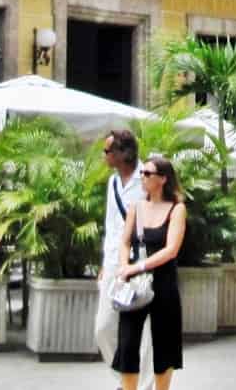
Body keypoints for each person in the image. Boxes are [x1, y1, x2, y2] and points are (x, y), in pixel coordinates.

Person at [113, 156, 187, 390]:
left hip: (163, 282)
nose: (142, 178)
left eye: (148, 174)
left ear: (163, 179)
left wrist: (138, 267)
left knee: (165, 343)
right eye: (141, 173)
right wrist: (124, 266)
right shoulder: (136, 207)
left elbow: (171, 249)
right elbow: (125, 241)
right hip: (134, 284)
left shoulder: (177, 209)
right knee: (127, 343)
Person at [97, 130, 154, 390]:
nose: (104, 155)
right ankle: (123, 377)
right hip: (114, 263)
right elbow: (111, 226)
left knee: (144, 334)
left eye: (108, 151)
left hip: (142, 262)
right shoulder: (112, 183)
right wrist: (105, 265)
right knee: (103, 328)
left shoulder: (148, 180)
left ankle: (141, 386)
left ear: (124, 154)